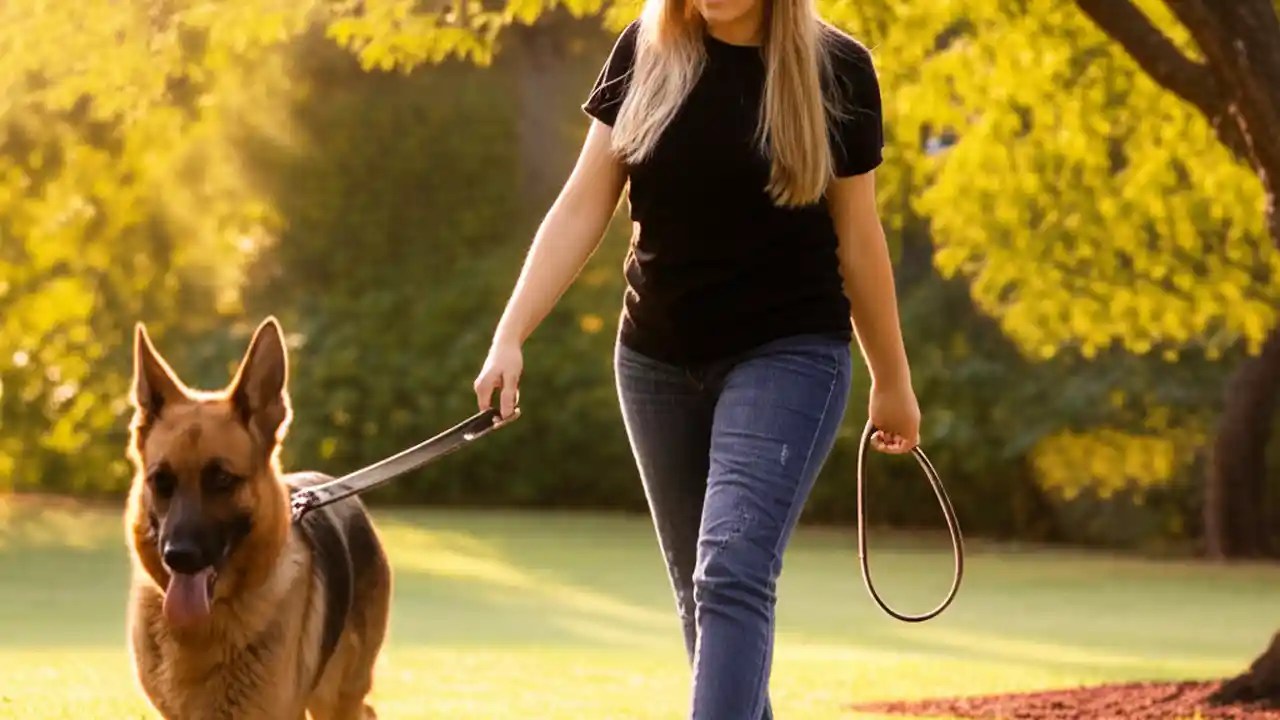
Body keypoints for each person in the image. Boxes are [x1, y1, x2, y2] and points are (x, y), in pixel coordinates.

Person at [472, 0, 921, 713]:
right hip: (655, 362)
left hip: (789, 353)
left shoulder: (836, 68)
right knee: (706, 592)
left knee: (731, 572)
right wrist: (510, 333)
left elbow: (859, 237)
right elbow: (583, 202)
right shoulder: (644, 51)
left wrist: (892, 379)